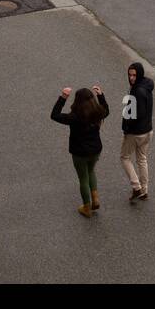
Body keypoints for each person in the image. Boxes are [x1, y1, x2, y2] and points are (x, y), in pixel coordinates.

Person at [51, 85, 109, 217]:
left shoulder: (74, 117)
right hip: (95, 150)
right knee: (91, 171)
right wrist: (101, 96)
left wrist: (63, 97)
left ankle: (87, 207)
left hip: (79, 153)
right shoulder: (98, 112)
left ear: (77, 101)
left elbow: (54, 115)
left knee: (83, 177)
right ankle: (95, 198)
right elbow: (106, 110)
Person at [120, 62, 154, 203]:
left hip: (136, 132)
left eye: (134, 75)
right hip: (148, 130)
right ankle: (144, 191)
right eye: (130, 74)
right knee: (142, 159)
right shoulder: (146, 86)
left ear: (139, 74)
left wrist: (126, 128)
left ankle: (136, 187)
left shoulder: (137, 92)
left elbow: (135, 114)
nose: (132, 78)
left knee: (124, 157)